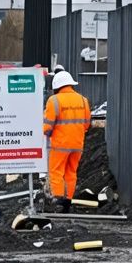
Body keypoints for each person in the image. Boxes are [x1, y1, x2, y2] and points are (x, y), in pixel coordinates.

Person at [43, 69, 91, 212]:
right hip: (77, 144)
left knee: (56, 171)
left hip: (60, 145)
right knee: (71, 172)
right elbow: (87, 124)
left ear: (57, 86)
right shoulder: (83, 100)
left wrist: (47, 133)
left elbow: (47, 126)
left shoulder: (54, 100)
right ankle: (68, 201)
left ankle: (58, 200)